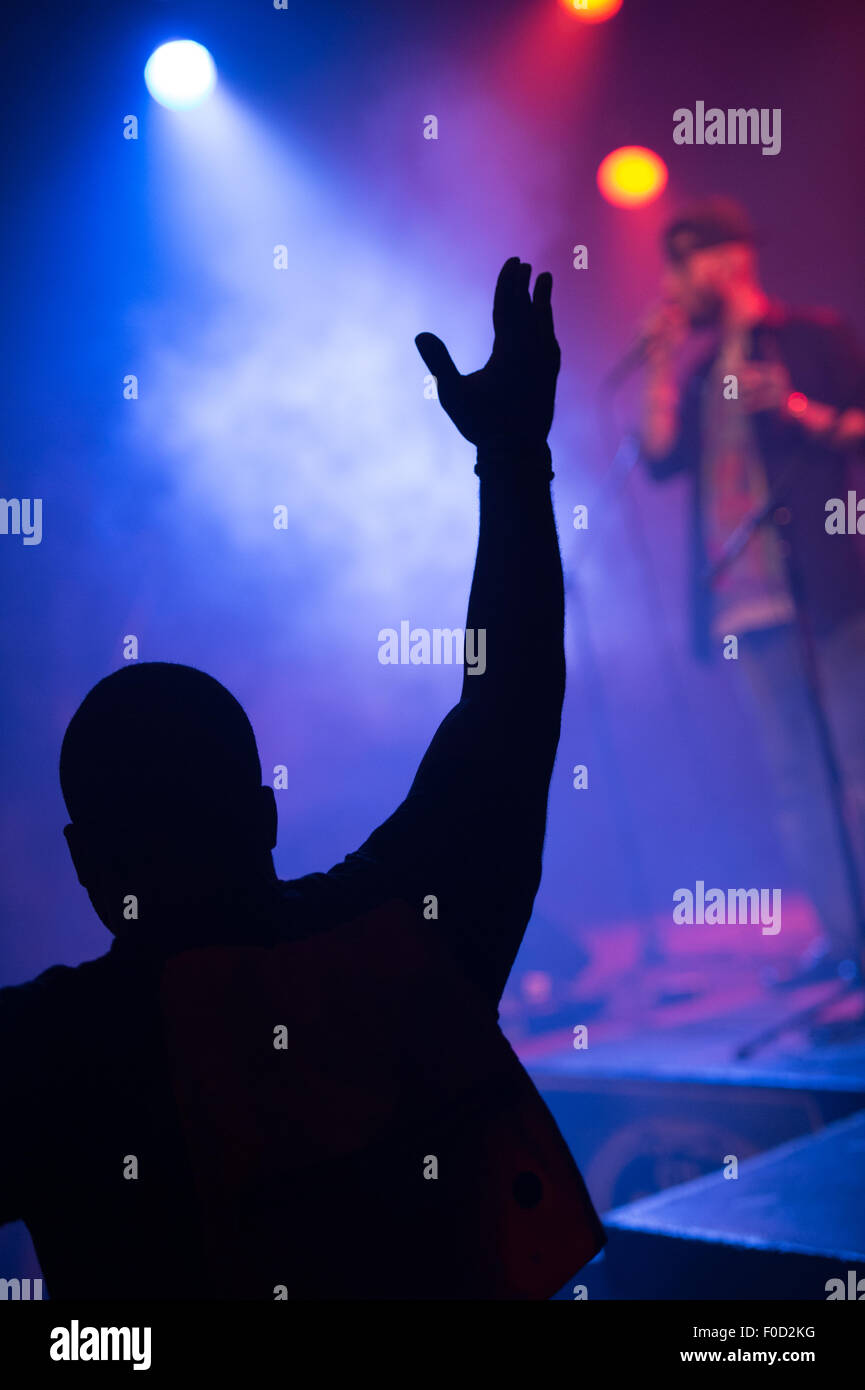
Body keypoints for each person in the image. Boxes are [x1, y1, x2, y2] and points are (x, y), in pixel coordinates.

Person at [0, 258, 604, 1299]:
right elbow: (508, 716)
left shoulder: (45, 1059)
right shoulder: (398, 939)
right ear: (266, 813)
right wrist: (512, 458)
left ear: (86, 863)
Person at [639, 197, 865, 982]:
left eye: (684, 262)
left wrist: (799, 411)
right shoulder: (699, 368)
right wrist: (661, 363)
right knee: (796, 776)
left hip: (830, 587)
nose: (675, 281)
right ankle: (842, 940)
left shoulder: (807, 336)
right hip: (745, 596)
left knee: (857, 758)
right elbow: (659, 458)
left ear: (726, 261)